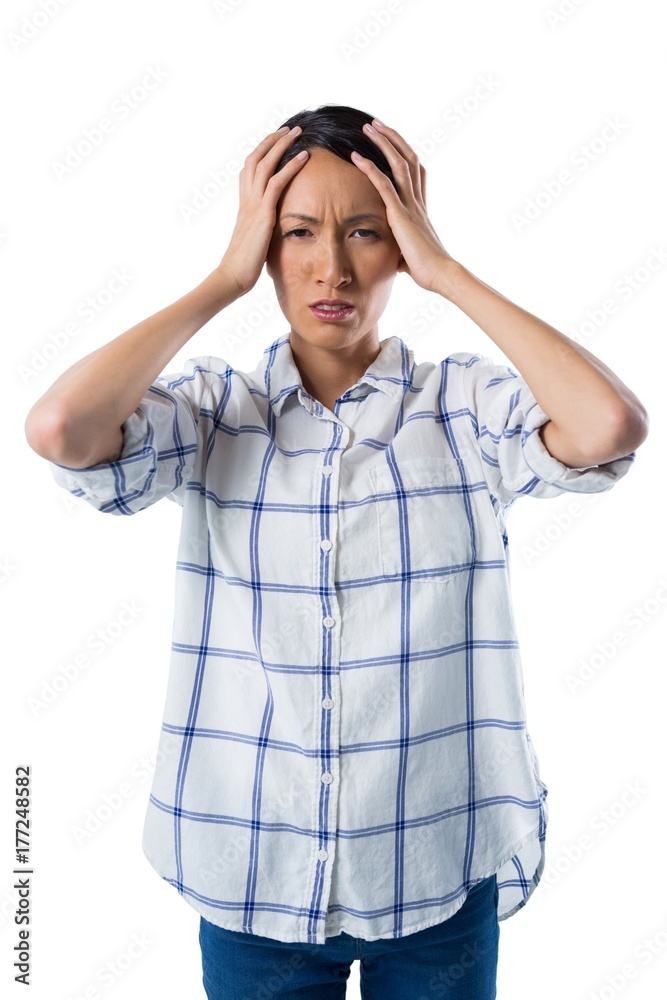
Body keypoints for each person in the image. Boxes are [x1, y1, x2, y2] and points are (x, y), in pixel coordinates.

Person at [25, 104, 648, 999]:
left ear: (399, 245)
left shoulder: (460, 407)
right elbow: (60, 430)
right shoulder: (211, 413)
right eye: (296, 234)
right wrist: (220, 280)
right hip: (253, 875)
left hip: (436, 869)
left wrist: (447, 271)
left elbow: (607, 426)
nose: (333, 267)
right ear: (264, 248)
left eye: (366, 231)